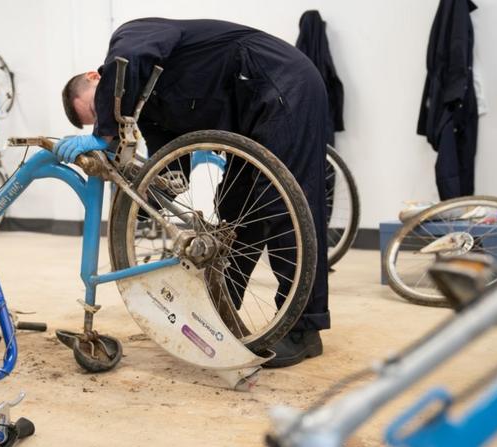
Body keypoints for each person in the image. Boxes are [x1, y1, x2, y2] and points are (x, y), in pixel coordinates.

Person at [58, 18, 329, 368]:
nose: (100, 123)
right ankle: (222, 311)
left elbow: (130, 56)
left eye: (95, 111)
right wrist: (130, 190)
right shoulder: (149, 110)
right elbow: (169, 169)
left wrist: (105, 132)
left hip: (281, 84)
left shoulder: (129, 37)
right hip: (252, 118)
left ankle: (305, 330)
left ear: (96, 78)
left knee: (281, 208)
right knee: (236, 207)